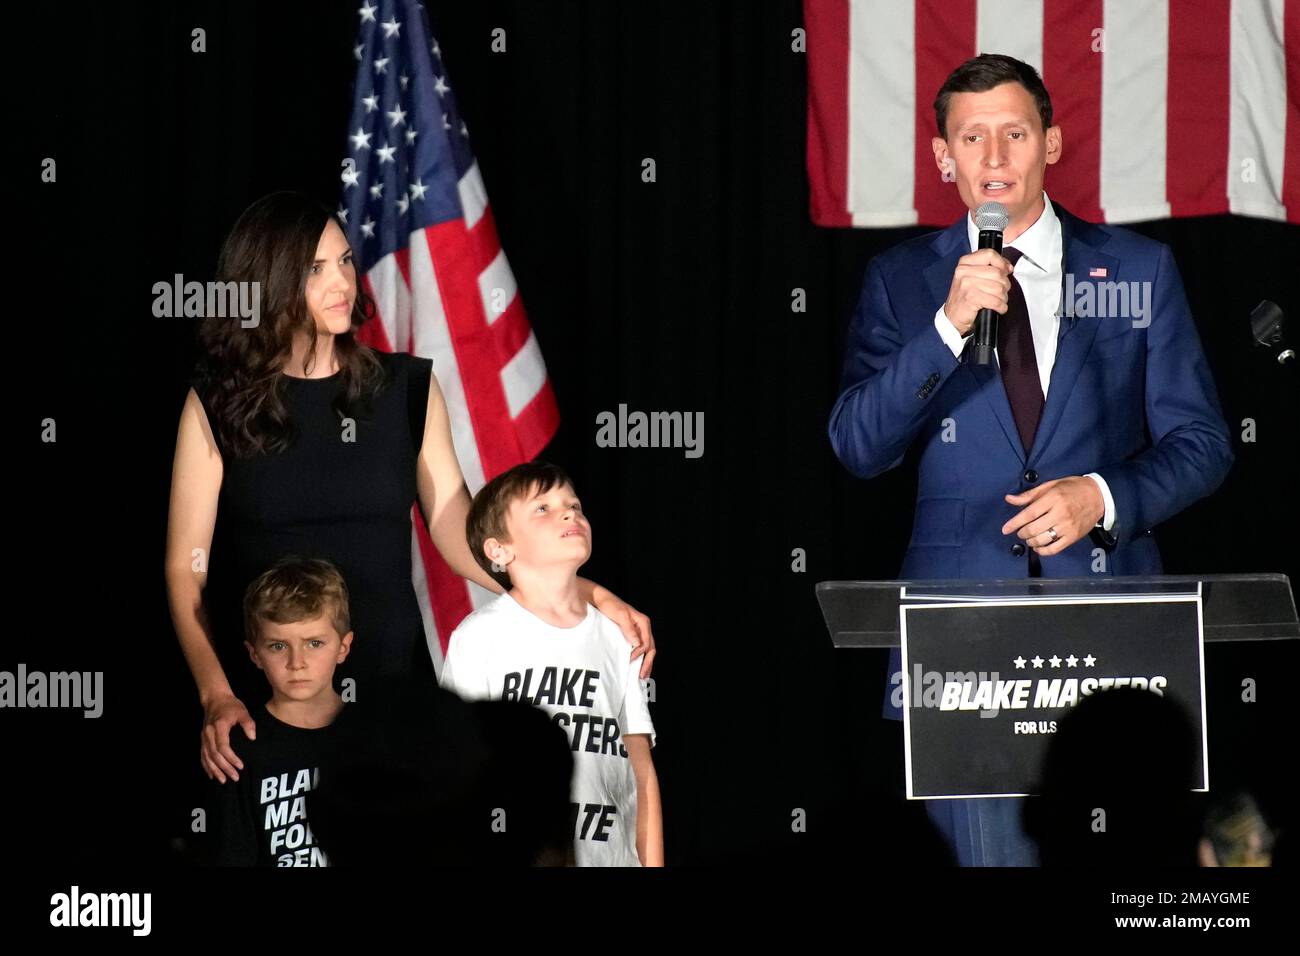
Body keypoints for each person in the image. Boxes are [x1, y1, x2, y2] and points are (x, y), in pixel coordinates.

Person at [827, 54, 1233, 865]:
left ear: (1051, 142)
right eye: (971, 137)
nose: (994, 156)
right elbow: (858, 446)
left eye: (1015, 133)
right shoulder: (901, 282)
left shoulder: (1139, 269)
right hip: (959, 654)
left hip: (1116, 639)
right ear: (944, 158)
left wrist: (1103, 496)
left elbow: (1203, 443)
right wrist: (945, 329)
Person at [164, 192, 656, 787]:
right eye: (315, 270)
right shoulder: (216, 405)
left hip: (391, 694)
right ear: (268, 281)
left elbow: (457, 533)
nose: (343, 281)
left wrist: (589, 593)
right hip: (266, 705)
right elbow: (185, 572)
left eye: (344, 261)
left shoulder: (406, 389)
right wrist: (215, 695)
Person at [439, 461, 663, 866]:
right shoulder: (477, 638)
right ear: (499, 550)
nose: (568, 513)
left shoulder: (617, 635)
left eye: (574, 505)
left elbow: (642, 774)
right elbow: (456, 773)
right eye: (542, 508)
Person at [209, 556, 359, 866]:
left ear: (343, 647)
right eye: (278, 646)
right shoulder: (239, 747)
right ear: (255, 654)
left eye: (314, 643)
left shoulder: (375, 735)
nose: (297, 662)